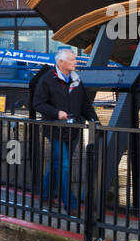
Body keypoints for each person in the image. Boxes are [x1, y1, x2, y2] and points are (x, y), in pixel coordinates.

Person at [30, 47, 98, 213]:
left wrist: (95, 120)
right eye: (72, 59)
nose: (76, 62)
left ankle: (45, 196)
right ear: (61, 62)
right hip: (55, 130)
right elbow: (38, 103)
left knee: (56, 164)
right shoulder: (47, 80)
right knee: (65, 165)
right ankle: (71, 204)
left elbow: (84, 104)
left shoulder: (76, 80)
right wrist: (56, 113)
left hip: (73, 129)